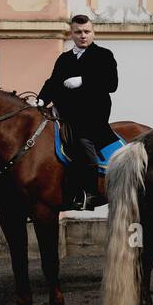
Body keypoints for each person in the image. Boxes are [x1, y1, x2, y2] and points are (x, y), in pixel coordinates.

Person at [38, 15, 118, 210]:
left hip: (92, 115)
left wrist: (84, 80)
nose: (83, 36)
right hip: (63, 114)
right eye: (78, 32)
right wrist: (41, 99)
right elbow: (53, 82)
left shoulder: (104, 55)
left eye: (86, 32)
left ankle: (89, 193)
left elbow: (112, 83)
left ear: (93, 32)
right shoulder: (64, 58)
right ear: (72, 34)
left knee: (83, 142)